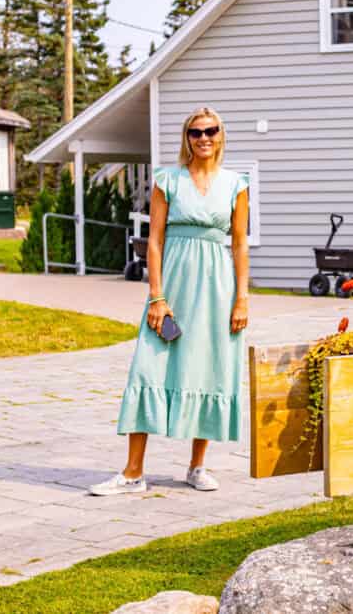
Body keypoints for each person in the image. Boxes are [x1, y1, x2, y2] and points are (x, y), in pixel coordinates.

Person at [89, 107, 250, 495]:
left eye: (211, 131)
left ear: (221, 135)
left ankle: (197, 466)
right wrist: (157, 297)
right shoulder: (168, 180)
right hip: (173, 283)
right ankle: (132, 473)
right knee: (148, 366)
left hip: (216, 287)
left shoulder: (236, 184)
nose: (204, 138)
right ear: (187, 138)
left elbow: (240, 243)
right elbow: (155, 241)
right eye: (196, 132)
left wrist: (241, 298)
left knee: (209, 367)